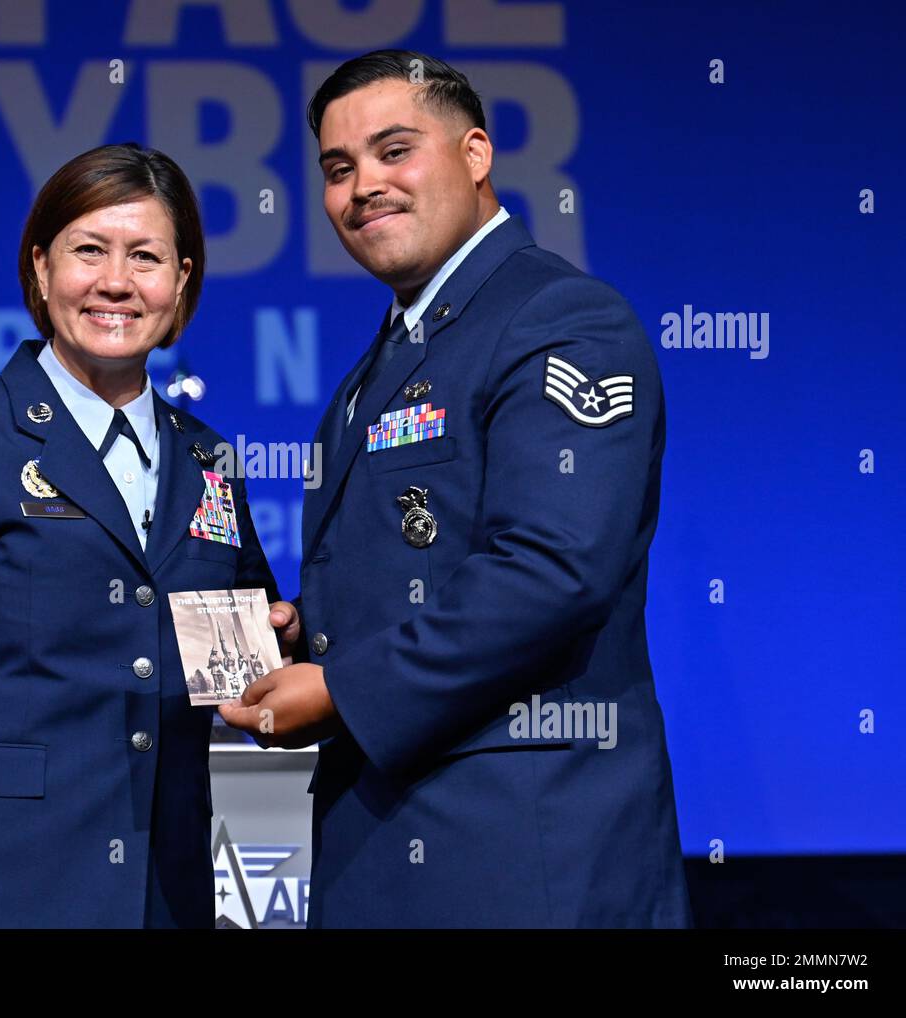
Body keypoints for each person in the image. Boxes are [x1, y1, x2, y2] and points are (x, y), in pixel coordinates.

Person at [220, 51, 692, 928]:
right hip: (390, 845)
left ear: (476, 154)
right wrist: (306, 631)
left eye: (394, 150)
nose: (364, 185)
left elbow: (551, 572)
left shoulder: (558, 318)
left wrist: (341, 690)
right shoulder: (389, 360)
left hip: (522, 856)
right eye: (337, 169)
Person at [0, 143, 296, 928]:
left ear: (181, 285)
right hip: (0, 897)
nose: (116, 281)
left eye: (146, 257)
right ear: (42, 269)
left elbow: (251, 651)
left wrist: (297, 647)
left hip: (169, 897)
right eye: (90, 251)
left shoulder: (209, 457)